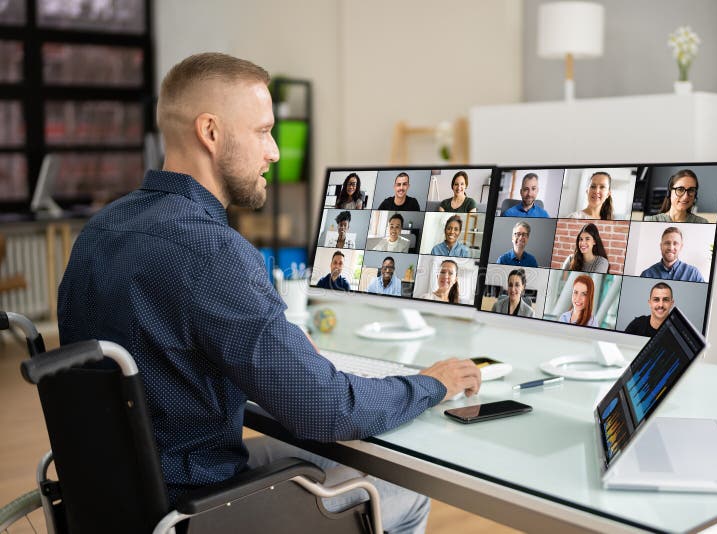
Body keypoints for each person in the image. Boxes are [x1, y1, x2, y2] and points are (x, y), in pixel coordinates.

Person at [57, 53, 482, 533]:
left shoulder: (101, 229)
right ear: (211, 133)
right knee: (407, 489)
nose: (275, 151)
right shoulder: (211, 252)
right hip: (194, 507)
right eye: (262, 131)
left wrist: (287, 354)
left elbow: (165, 354)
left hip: (116, 497)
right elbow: (328, 410)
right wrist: (430, 383)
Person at [640, 227, 705, 282]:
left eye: (675, 243)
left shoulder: (693, 274)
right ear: (661, 246)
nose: (671, 248)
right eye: (667, 243)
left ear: (681, 247)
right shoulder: (646, 274)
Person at [644, 169, 709, 223]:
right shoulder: (651, 221)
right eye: (680, 189)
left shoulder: (702, 223)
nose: (685, 196)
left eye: (691, 190)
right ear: (669, 192)